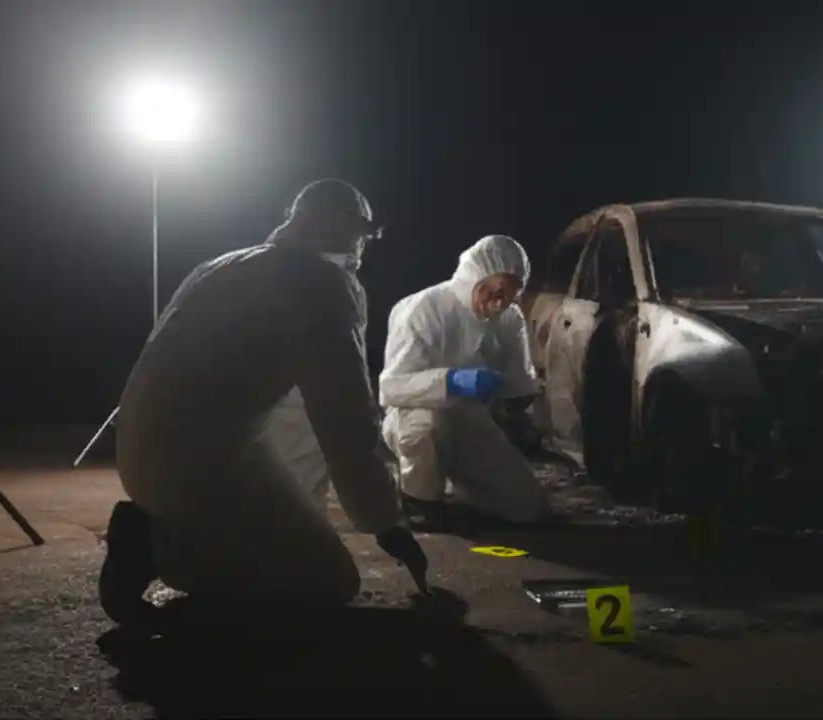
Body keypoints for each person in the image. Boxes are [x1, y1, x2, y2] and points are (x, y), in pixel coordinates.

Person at [99, 178, 428, 626]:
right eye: (362, 235)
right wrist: (385, 520)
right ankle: (159, 547)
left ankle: (168, 531)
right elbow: (347, 422)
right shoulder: (322, 286)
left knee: (281, 513)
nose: (362, 247)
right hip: (201, 465)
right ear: (350, 232)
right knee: (327, 580)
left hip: (140, 448)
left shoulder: (223, 265)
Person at [379, 234, 549, 530]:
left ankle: (462, 492)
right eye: (496, 293)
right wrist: (452, 380)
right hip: (414, 413)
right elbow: (391, 388)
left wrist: (521, 403)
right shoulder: (425, 309)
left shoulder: (509, 318)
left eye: (510, 297)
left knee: (527, 506)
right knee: (426, 427)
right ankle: (418, 499)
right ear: (476, 276)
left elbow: (519, 383)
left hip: (468, 414)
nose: (500, 304)